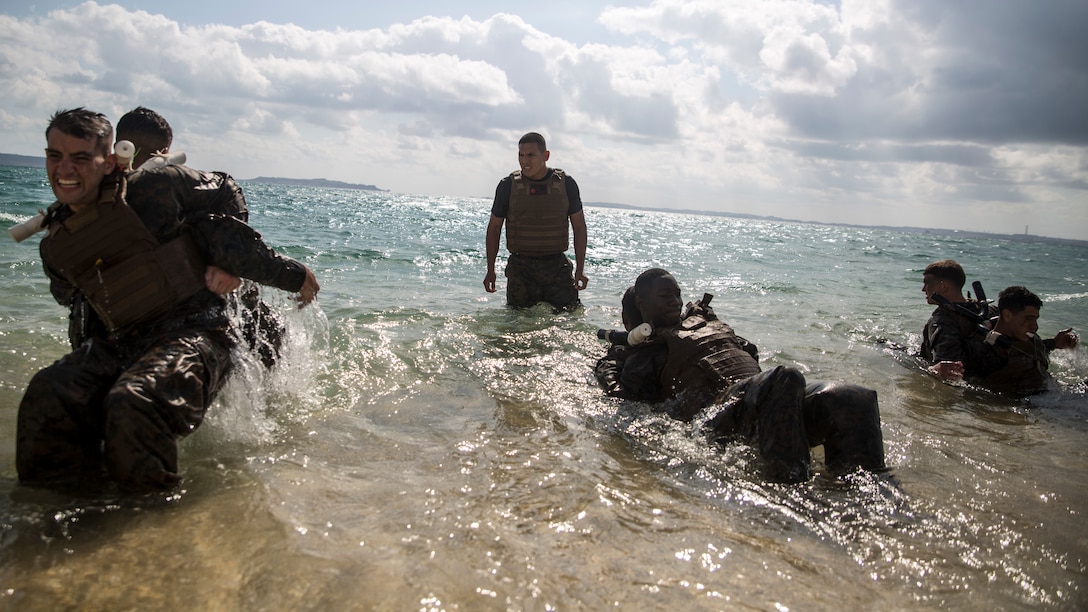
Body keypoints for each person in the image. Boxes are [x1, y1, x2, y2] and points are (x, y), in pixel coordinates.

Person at [16, 108, 320, 491]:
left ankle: (148, 518)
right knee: (50, 391)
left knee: (135, 401)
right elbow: (75, 306)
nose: (65, 170)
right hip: (123, 343)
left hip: (198, 331)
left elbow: (225, 189)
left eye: (80, 158)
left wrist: (273, 272)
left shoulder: (153, 186)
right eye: (54, 156)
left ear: (108, 161)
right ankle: (61, 509)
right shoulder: (57, 243)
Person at [595, 268, 885, 483]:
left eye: (677, 294)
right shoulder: (647, 352)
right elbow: (626, 398)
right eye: (665, 296)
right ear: (643, 305)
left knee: (849, 396)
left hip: (766, 400)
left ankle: (865, 491)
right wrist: (612, 362)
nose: (675, 301)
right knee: (786, 377)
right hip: (723, 414)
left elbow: (749, 352)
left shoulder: (703, 325)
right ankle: (791, 491)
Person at [115, 106, 286, 368]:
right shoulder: (180, 188)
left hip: (212, 308)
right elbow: (230, 197)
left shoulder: (105, 193)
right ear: (165, 151)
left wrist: (226, 267)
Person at [483, 132, 588, 310]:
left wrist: (580, 269)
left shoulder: (566, 184)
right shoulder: (508, 186)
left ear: (546, 155)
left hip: (556, 267)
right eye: (521, 155)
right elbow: (494, 228)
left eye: (531, 155)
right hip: (520, 269)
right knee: (518, 322)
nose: (525, 161)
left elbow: (579, 227)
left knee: (568, 319)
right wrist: (490, 270)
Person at [966, 286, 1077, 395]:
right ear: (1007, 315)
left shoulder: (1031, 339)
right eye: (1028, 318)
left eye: (1035, 319)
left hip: (1053, 393)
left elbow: (1027, 353)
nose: (1035, 326)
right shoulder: (983, 353)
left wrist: (1054, 343)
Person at [919, 259, 998, 381]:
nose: (923, 289)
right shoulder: (989, 310)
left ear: (943, 286)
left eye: (927, 283)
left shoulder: (942, 322)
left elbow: (948, 374)